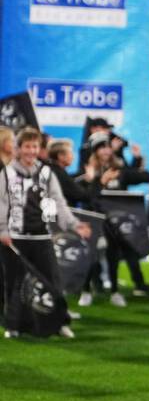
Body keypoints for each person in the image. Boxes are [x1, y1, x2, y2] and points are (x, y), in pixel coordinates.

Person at [0, 127, 92, 338]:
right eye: (27, 146)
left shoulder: (46, 173)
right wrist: (3, 230)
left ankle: (59, 323)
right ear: (19, 148)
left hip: (42, 237)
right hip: (15, 239)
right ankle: (14, 326)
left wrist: (73, 224)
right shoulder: (7, 173)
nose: (31, 151)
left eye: (35, 146)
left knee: (52, 281)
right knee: (16, 284)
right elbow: (1, 205)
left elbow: (57, 203)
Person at [76, 134, 149, 306]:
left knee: (113, 256)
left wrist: (139, 159)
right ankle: (86, 291)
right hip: (93, 220)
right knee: (90, 257)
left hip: (114, 222)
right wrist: (99, 180)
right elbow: (85, 196)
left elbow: (143, 176)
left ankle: (115, 291)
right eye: (101, 147)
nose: (105, 150)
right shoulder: (88, 171)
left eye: (107, 146)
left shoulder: (119, 169)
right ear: (95, 151)